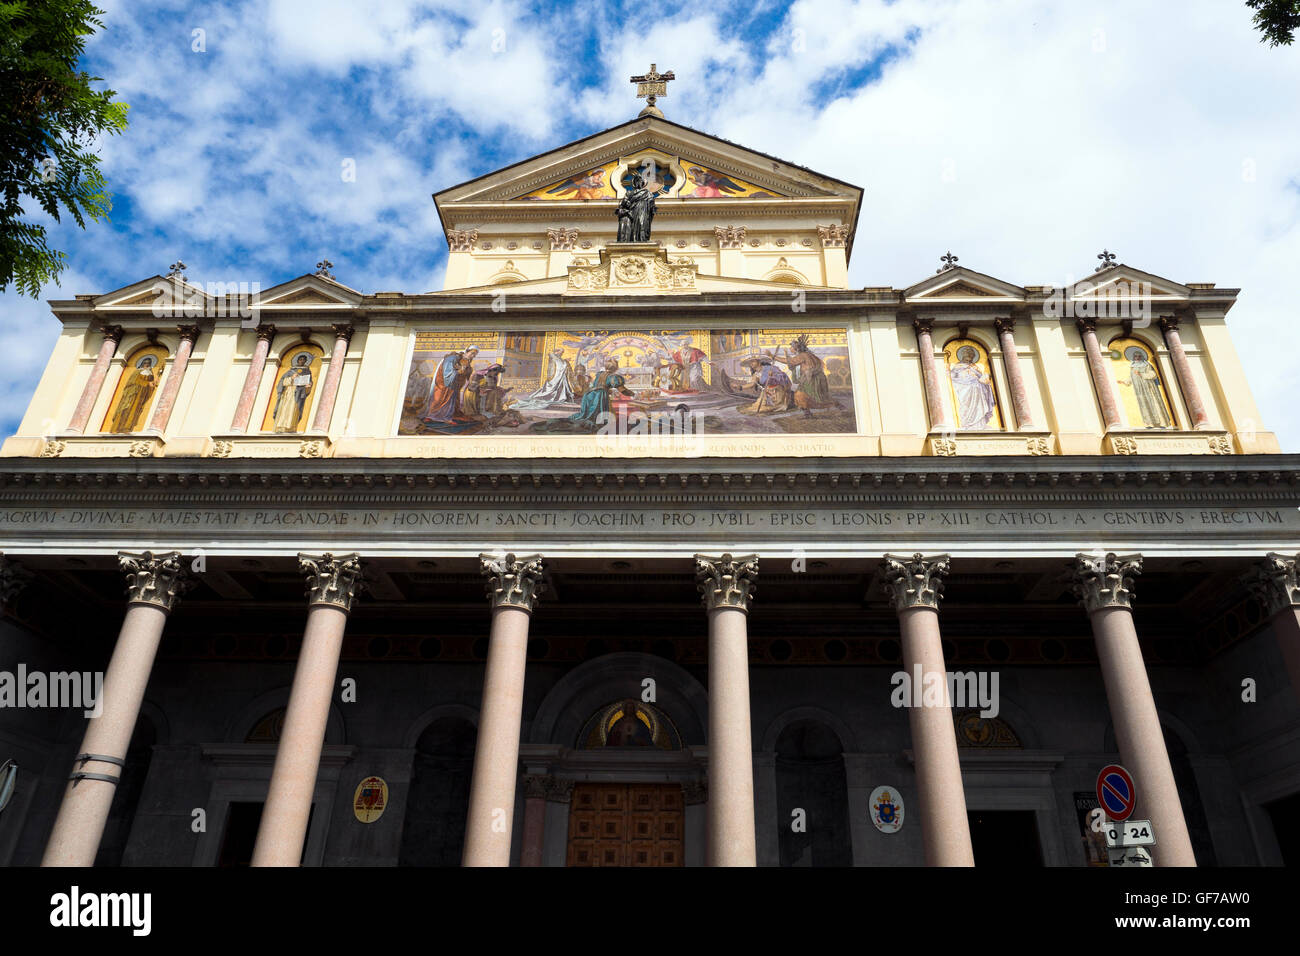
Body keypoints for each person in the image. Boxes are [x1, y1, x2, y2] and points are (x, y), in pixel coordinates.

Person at [772, 333, 836, 416]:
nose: (790, 349)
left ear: (796, 348)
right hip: (816, 379)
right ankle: (808, 413)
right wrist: (787, 356)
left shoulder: (803, 355)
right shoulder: (808, 355)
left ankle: (809, 412)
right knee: (813, 397)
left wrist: (773, 357)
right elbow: (793, 365)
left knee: (802, 395)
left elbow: (791, 362)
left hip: (811, 380)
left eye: (791, 347)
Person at [569, 358, 632, 428]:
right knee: (601, 416)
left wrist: (608, 390)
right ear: (616, 368)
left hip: (590, 394)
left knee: (589, 413)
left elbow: (599, 385)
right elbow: (622, 390)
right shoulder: (613, 377)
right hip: (599, 396)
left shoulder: (599, 374)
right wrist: (631, 394)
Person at [421, 346, 478, 424]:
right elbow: (447, 370)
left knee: (450, 400)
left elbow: (465, 373)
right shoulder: (453, 357)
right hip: (443, 382)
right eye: (472, 353)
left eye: (474, 355)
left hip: (453, 383)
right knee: (439, 398)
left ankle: (447, 417)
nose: (473, 356)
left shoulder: (466, 362)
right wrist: (457, 371)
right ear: (467, 351)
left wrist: (464, 371)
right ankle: (431, 416)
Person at [1118, 346, 1171, 427]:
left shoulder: (1146, 365)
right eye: (1136, 356)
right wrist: (1124, 382)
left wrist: (1141, 374)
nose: (1137, 358)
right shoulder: (1133, 366)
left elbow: (1153, 374)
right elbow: (1131, 377)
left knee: (1154, 403)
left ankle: (1161, 422)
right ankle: (1149, 423)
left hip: (1149, 387)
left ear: (1142, 357)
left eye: (1139, 356)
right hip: (1140, 390)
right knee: (1144, 404)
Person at [948, 345, 996, 429]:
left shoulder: (975, 367)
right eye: (968, 355)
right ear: (963, 356)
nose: (969, 357)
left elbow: (981, 377)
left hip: (979, 389)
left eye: (971, 356)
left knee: (980, 403)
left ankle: (980, 424)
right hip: (965, 388)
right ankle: (967, 423)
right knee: (967, 404)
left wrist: (985, 378)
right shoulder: (958, 366)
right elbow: (953, 376)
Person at [110, 355, 160, 432]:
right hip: (132, 393)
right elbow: (133, 382)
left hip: (140, 396)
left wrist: (152, 385)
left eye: (149, 363)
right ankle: (118, 427)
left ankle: (127, 427)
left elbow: (150, 385)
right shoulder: (137, 372)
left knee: (134, 411)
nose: (147, 364)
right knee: (126, 409)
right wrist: (147, 383)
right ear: (142, 363)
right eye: (145, 363)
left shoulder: (150, 373)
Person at [272, 352, 313, 432]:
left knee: (294, 410)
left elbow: (309, 384)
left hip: (299, 394)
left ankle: (291, 428)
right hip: (289, 393)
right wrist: (291, 378)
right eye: (300, 359)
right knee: (285, 409)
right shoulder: (290, 371)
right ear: (297, 360)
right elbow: (282, 382)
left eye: (304, 360)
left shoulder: (307, 371)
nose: (302, 361)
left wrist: (308, 386)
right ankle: (281, 427)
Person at [616, 173, 655, 242]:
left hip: (642, 211)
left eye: (640, 181)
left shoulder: (647, 193)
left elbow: (651, 205)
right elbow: (623, 204)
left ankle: (641, 239)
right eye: (637, 181)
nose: (638, 182)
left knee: (641, 225)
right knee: (631, 228)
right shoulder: (629, 193)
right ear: (634, 183)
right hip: (631, 212)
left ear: (643, 183)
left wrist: (651, 207)